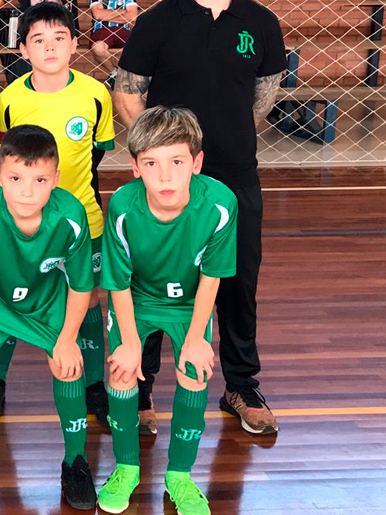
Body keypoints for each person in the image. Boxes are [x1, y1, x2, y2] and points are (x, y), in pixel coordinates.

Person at [112, 0, 285, 437]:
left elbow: (263, 99)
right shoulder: (156, 23)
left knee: (237, 282)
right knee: (151, 278)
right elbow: (127, 94)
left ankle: (240, 384)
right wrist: (164, 155)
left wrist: (220, 144)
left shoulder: (262, 24)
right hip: (167, 180)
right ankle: (140, 385)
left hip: (235, 176)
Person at [0, 125, 96, 509]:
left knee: (68, 367)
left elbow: (81, 286)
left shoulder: (71, 216)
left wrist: (68, 338)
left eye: (39, 180)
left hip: (47, 303)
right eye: (15, 179)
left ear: (55, 179)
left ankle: (75, 462)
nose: (27, 191)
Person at [96, 106, 238, 515]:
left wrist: (197, 338)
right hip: (137, 299)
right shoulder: (123, 206)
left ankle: (180, 476)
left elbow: (211, 276)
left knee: (195, 368)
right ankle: (126, 467)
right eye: (151, 164)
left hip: (189, 303)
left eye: (176, 162)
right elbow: (117, 282)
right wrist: (128, 343)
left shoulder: (220, 204)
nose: (164, 176)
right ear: (135, 168)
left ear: (196, 162)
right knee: (122, 370)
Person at [0, 2, 115, 425]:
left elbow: (96, 154)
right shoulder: (8, 101)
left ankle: (93, 382)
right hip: (23, 224)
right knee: (13, 294)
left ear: (75, 44)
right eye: (38, 40)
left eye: (60, 38)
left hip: (83, 221)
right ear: (23, 49)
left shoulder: (95, 95)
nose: (50, 47)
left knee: (88, 295)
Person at [89, 0, 138, 77]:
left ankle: (120, 74)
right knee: (98, 49)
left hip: (123, 31)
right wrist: (122, 12)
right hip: (102, 30)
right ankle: (115, 74)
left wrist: (106, 14)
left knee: (137, 48)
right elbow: (97, 15)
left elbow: (132, 16)